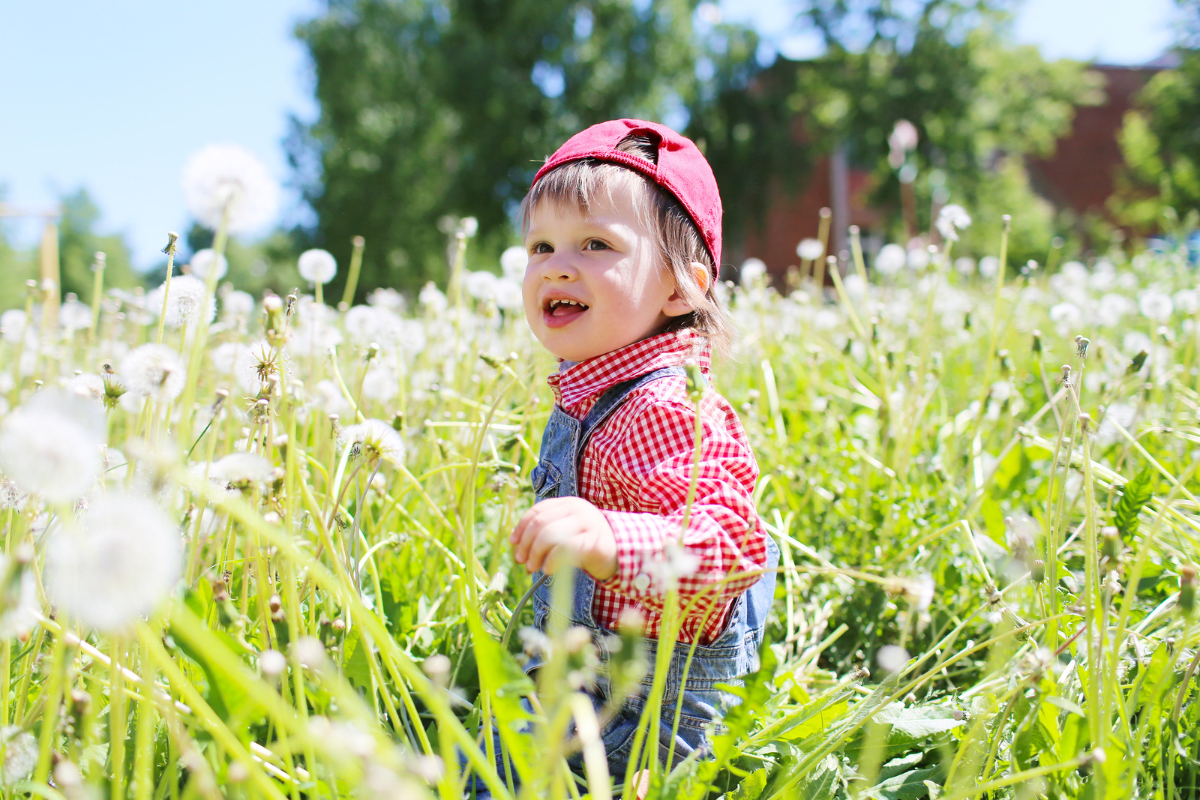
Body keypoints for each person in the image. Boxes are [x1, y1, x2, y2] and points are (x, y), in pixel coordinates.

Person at [471, 119, 778, 798]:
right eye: (540, 246)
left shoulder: (666, 407)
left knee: (501, 781)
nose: (556, 264)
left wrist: (613, 535)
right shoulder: (586, 395)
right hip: (588, 670)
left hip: (656, 710)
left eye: (596, 244)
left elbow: (731, 547)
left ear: (680, 289)